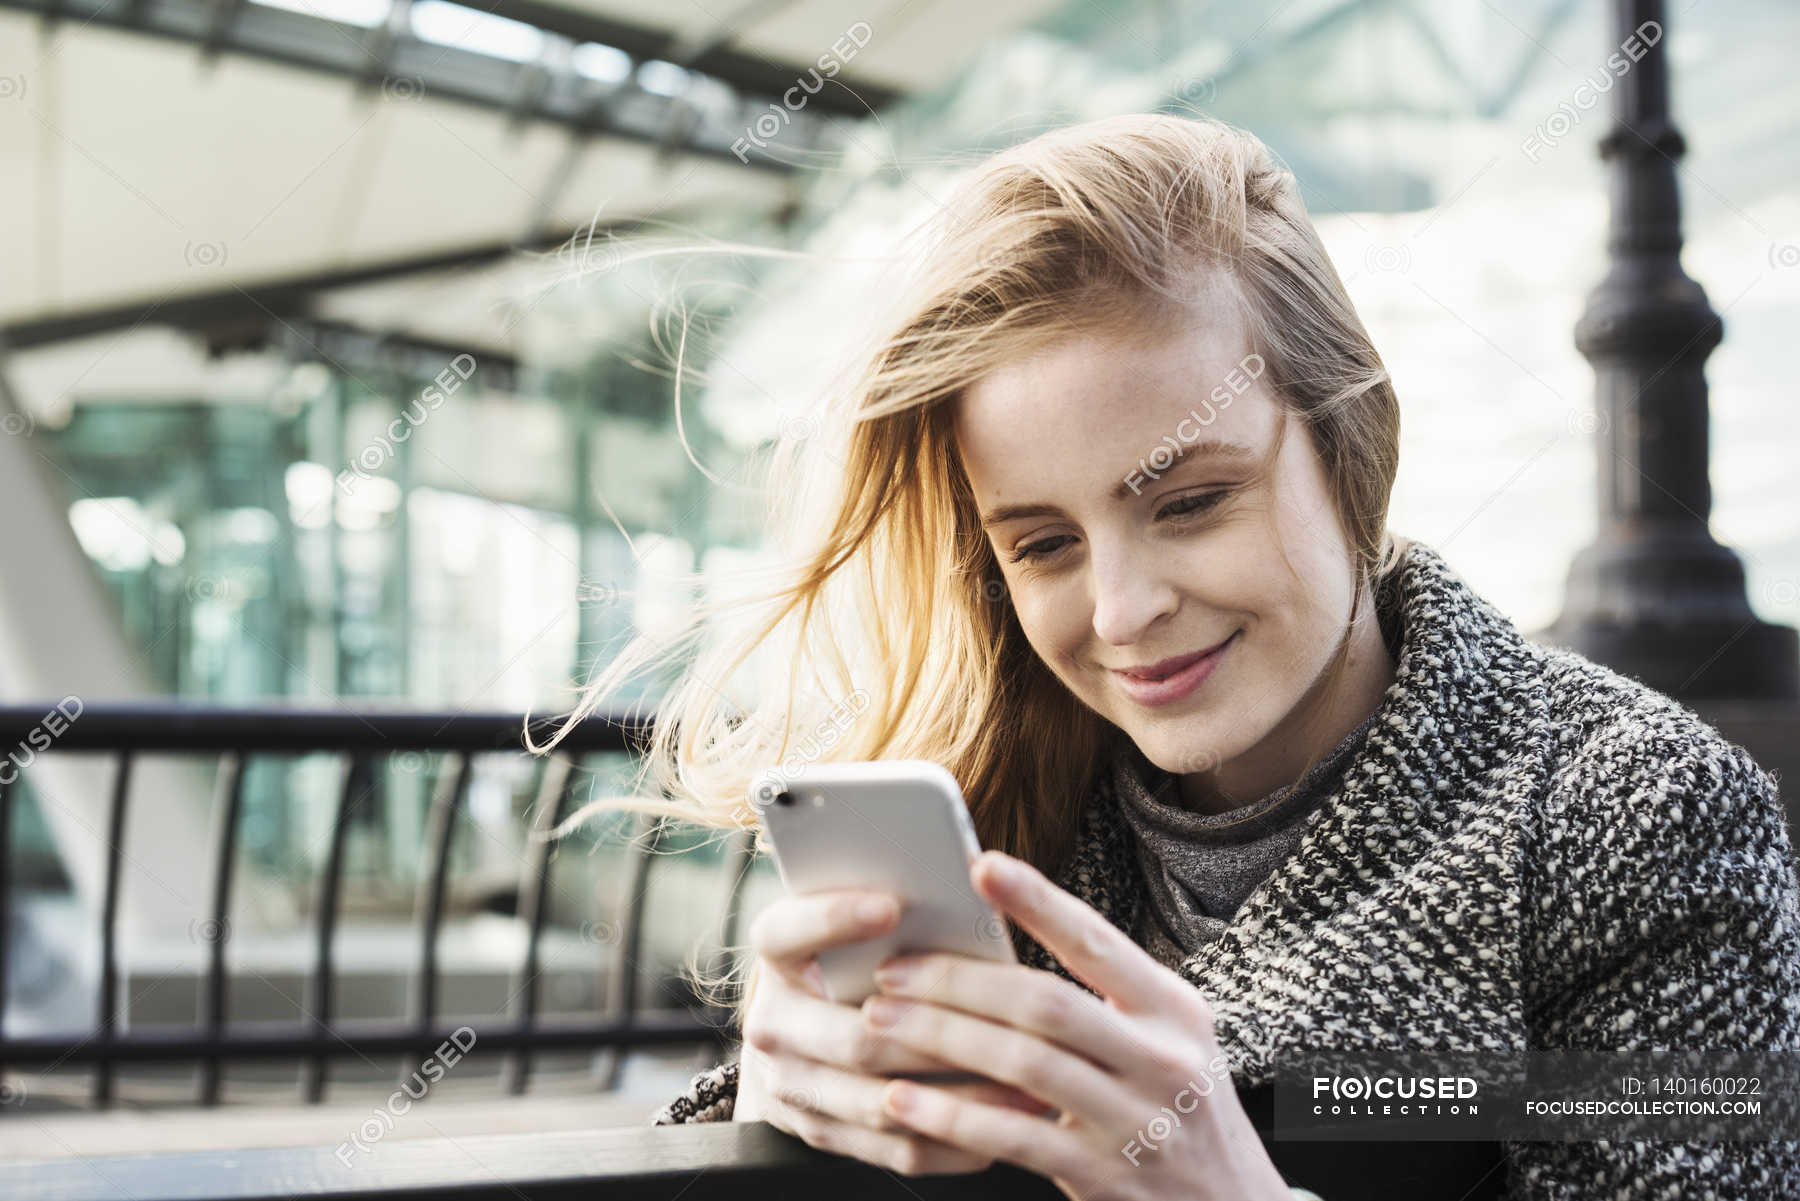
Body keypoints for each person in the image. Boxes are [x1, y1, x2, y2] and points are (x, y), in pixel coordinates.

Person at [535, 113, 1800, 1199]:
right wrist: (772, 1115)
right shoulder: (991, 796)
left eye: (1190, 501)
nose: (1125, 610)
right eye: (1042, 544)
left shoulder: (1634, 815)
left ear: (1350, 447)